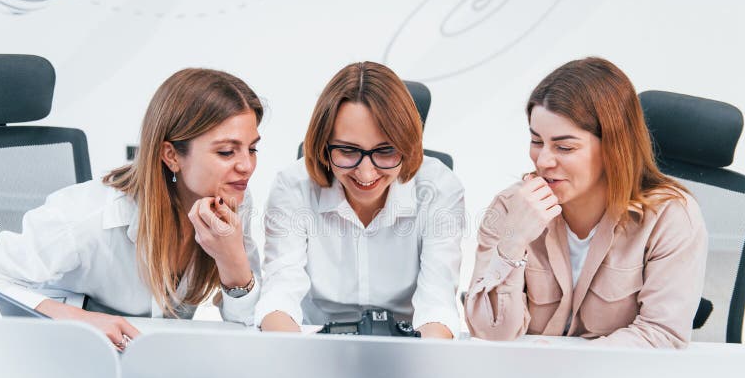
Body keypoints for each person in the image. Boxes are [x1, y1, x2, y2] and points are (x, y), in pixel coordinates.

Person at [0, 68, 263, 349]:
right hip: (61, 358)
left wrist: (232, 259)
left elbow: (245, 327)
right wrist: (72, 318)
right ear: (171, 155)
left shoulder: (231, 201)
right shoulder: (90, 214)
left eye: (252, 149)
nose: (246, 166)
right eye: (227, 151)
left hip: (148, 362)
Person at [465, 57, 707, 348]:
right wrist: (513, 242)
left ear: (613, 147)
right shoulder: (510, 207)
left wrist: (568, 367)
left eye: (564, 147)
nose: (544, 161)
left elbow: (662, 334)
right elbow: (490, 335)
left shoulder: (670, 217)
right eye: (536, 141)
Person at [256, 61, 464, 338]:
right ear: (323, 144)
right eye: (347, 151)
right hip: (314, 344)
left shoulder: (439, 187)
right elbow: (279, 295)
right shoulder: (293, 186)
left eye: (386, 151)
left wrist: (415, 370)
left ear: (408, 144)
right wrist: (296, 361)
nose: (366, 173)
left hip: (409, 348)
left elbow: (437, 306)